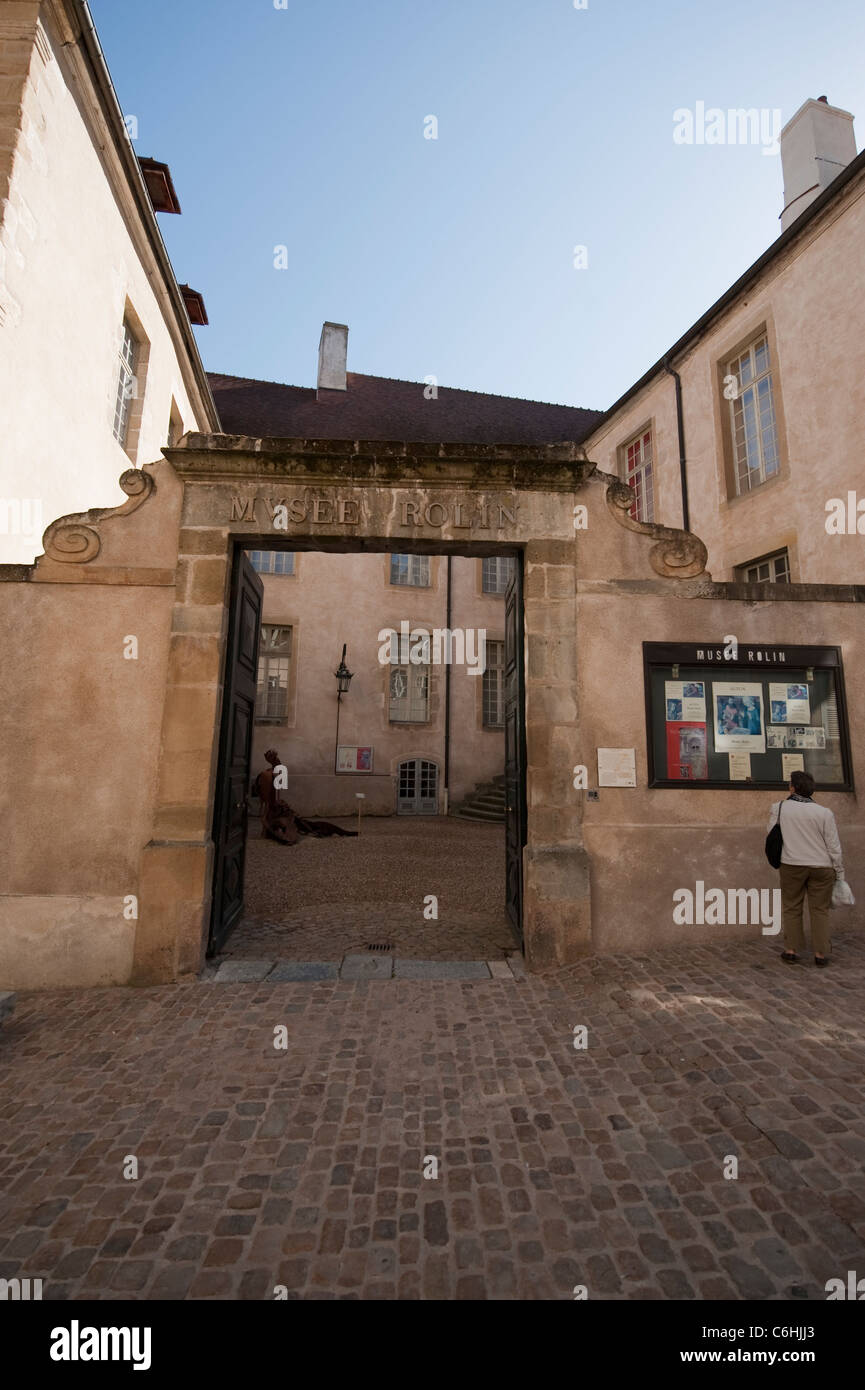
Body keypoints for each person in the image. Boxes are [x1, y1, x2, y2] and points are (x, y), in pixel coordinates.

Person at [767, 769, 845, 967]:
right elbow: (833, 845)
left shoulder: (780, 808)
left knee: (792, 906)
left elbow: (771, 835)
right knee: (820, 910)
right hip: (821, 866)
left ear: (793, 788)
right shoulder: (824, 813)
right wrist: (839, 871)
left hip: (792, 863)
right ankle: (820, 953)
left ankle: (791, 949)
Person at [256, 749, 357, 843]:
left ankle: (336, 831)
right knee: (294, 829)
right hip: (276, 811)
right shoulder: (267, 775)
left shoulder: (274, 773)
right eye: (275, 759)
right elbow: (268, 800)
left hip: (279, 810)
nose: (277, 761)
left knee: (308, 825)